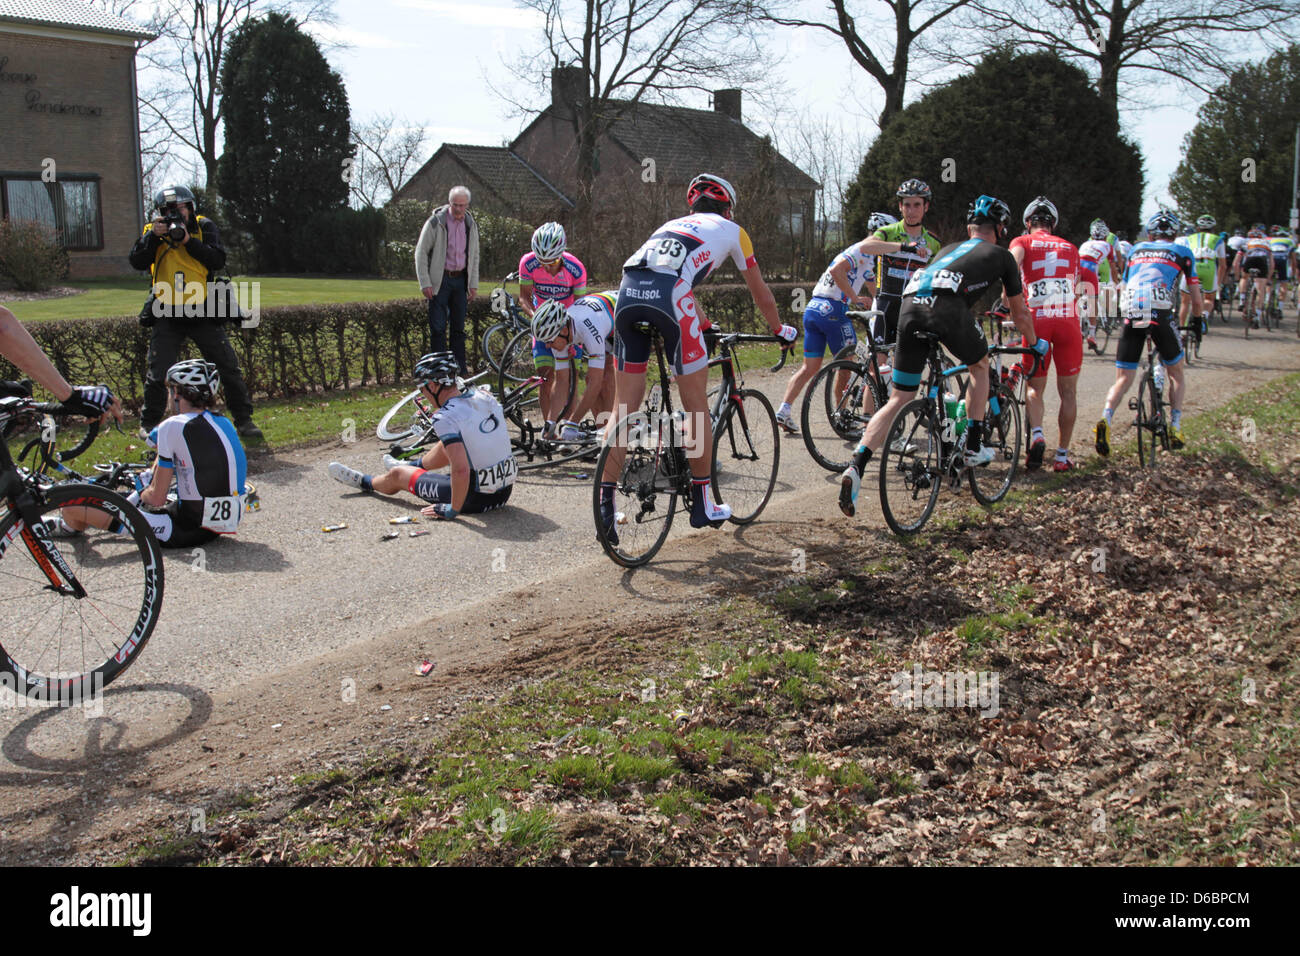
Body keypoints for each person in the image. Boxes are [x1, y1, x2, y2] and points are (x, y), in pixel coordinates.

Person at [599, 173, 796, 536]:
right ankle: (704, 502)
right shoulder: (733, 231)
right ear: (728, 209)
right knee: (695, 406)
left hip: (626, 294)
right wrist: (779, 329)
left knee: (622, 409)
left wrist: (703, 324)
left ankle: (605, 505)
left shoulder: (669, 226)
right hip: (671, 297)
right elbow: (760, 292)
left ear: (693, 207)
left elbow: (671, 278)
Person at [838, 194, 1042, 518]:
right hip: (945, 308)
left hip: (909, 307)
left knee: (898, 398)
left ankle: (856, 465)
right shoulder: (1003, 256)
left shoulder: (947, 249)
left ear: (970, 227)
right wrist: (1036, 343)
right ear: (1001, 228)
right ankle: (973, 446)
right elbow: (1020, 313)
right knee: (979, 365)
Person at [60, 360, 248, 547]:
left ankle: (65, 527)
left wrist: (141, 490)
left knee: (72, 504)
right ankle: (69, 526)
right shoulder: (224, 423)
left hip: (185, 529)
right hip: (223, 523)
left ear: (176, 393)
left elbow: (156, 498)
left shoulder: (171, 426)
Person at [129, 185, 262, 441]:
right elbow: (137, 261)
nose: (173, 215)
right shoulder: (152, 231)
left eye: (178, 209)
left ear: (190, 208)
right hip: (166, 309)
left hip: (202, 309)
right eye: (166, 211)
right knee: (158, 372)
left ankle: (244, 420)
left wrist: (188, 241)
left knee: (227, 366)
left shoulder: (204, 226)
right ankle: (149, 425)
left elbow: (217, 260)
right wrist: (154, 237)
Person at [328, 352, 515, 519]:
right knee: (453, 442)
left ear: (433, 386)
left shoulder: (445, 416)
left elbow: (461, 470)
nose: (422, 394)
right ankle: (412, 465)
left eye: (422, 389)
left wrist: (452, 509)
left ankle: (365, 481)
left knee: (397, 474)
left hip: (474, 498)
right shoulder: (483, 395)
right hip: (504, 493)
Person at [774, 211, 895, 434]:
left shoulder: (867, 257)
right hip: (833, 310)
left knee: (809, 368)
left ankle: (784, 410)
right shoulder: (862, 250)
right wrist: (855, 298)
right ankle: (843, 417)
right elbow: (836, 271)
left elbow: (875, 290)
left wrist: (877, 302)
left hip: (813, 308)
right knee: (846, 367)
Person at [1093, 211, 1201, 457]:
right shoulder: (1182, 251)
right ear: (1174, 234)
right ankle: (1175, 427)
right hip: (1160, 311)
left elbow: (1125, 283)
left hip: (1132, 309)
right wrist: (1198, 322)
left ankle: (1105, 419)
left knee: (1123, 378)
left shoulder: (1136, 250)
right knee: (1177, 373)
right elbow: (1194, 297)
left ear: (1150, 234)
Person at [1009, 196, 1082, 472]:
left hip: (1038, 320)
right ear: (1052, 224)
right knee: (1068, 392)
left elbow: (1012, 267)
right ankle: (1062, 457)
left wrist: (1008, 299)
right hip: (1067, 321)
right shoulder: (1070, 247)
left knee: (1034, 388)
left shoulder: (1022, 241)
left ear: (1028, 223)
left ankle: (1037, 434)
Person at [518, 222, 588, 433]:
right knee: (545, 377)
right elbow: (524, 297)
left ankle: (568, 430)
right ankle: (550, 432)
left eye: (553, 261)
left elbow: (580, 305)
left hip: (568, 325)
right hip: (543, 325)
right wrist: (536, 317)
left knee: (569, 379)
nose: (547, 267)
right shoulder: (528, 263)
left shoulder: (576, 268)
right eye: (542, 262)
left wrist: (568, 332)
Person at [859, 181, 942, 350]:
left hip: (911, 309)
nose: (911, 211)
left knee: (905, 367)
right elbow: (865, 247)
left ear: (926, 207)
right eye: (907, 205)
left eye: (917, 205)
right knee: (878, 365)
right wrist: (902, 247)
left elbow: (935, 277)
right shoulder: (889, 232)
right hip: (885, 307)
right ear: (900, 207)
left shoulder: (933, 243)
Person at [529, 293, 618, 440]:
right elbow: (562, 381)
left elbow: (596, 382)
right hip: (599, 313)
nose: (547, 346)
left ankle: (610, 437)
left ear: (564, 330)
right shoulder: (558, 333)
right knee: (591, 381)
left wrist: (573, 423)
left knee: (604, 379)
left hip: (618, 315)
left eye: (549, 341)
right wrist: (550, 421)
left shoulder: (588, 328)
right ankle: (601, 432)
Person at [415, 186, 479, 375]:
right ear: (449, 203)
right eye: (455, 205)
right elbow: (421, 252)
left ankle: (459, 369)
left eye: (462, 205)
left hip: (461, 280)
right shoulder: (436, 222)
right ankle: (439, 369)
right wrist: (425, 282)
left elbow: (474, 255)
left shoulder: (470, 224)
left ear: (467, 205)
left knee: (458, 328)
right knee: (438, 327)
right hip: (440, 280)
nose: (459, 209)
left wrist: (473, 283)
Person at [1176, 215, 1225, 348]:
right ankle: (1204, 315)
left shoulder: (1189, 238)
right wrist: (1218, 283)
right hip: (1209, 268)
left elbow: (1183, 257)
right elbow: (1223, 265)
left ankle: (1182, 333)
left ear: (1197, 228)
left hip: (1192, 267)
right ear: (1213, 229)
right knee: (1209, 299)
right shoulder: (1219, 240)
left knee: (1185, 302)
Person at [1078, 221, 1123, 351]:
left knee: (1077, 298)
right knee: (1093, 300)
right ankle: (1092, 334)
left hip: (1078, 268)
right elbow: (1113, 268)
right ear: (1105, 236)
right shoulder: (1108, 246)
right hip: (1091, 268)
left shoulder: (1085, 244)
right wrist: (1115, 283)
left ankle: (1077, 326)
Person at [1234, 225, 1273, 333]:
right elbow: (1272, 263)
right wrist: (1268, 278)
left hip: (1250, 260)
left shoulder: (1246, 242)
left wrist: (1238, 277)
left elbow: (1236, 262)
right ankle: (1258, 316)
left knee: (1245, 278)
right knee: (1261, 290)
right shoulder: (1266, 243)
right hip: (1262, 262)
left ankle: (1242, 300)